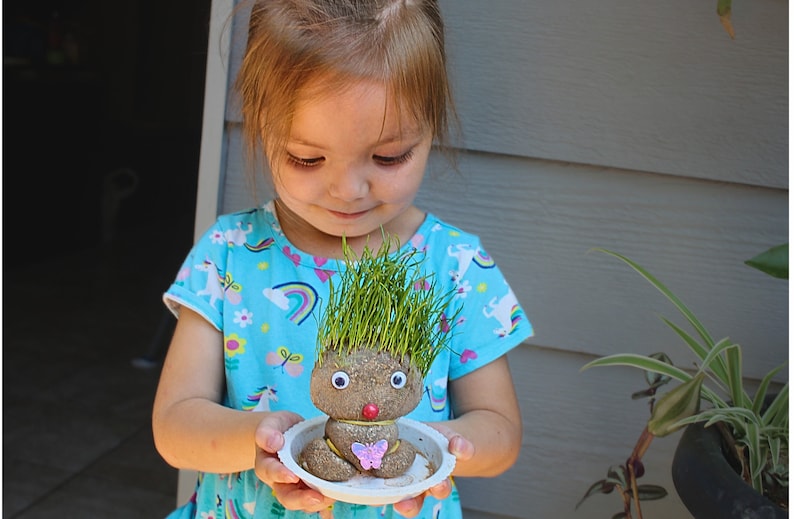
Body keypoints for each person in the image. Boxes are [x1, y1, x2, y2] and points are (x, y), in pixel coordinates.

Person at [151, 1, 534, 518]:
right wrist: (261, 439)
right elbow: (175, 425)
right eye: (306, 158)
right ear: (262, 127)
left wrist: (443, 446)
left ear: (431, 125)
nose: (348, 190)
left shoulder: (455, 265)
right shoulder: (230, 253)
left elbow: (499, 429)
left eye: (389, 156)